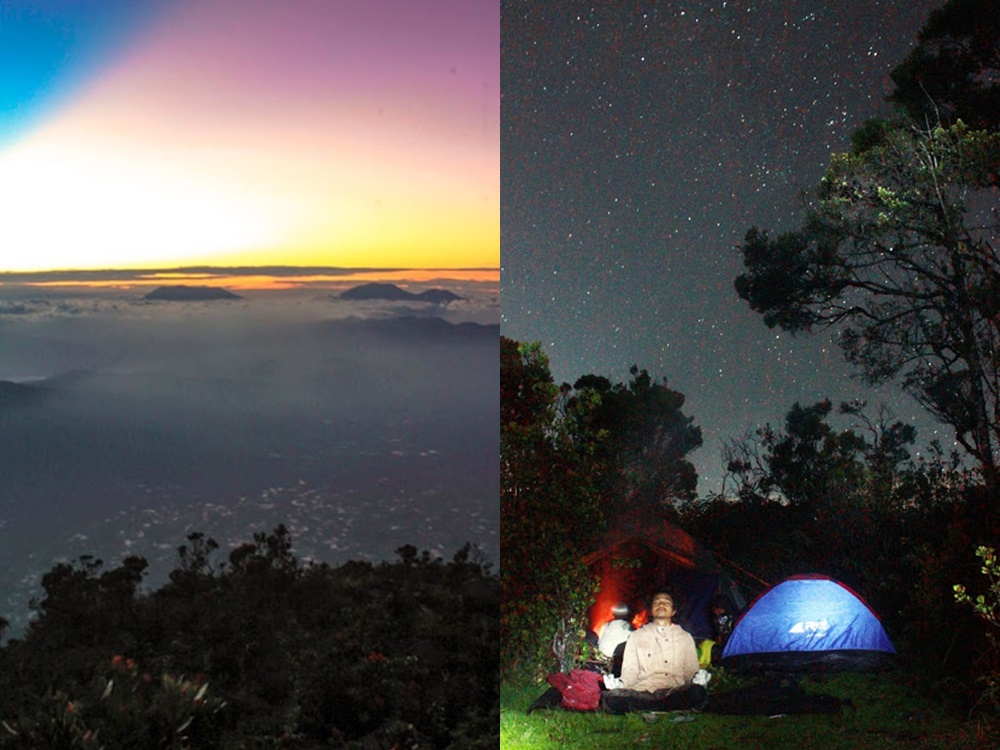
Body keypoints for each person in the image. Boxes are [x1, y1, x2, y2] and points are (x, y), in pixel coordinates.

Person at [601, 590, 706, 714]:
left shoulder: (685, 637)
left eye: (666, 602)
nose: (661, 605)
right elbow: (630, 672)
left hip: (674, 691)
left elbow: (690, 671)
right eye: (657, 602)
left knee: (697, 693)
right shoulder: (636, 636)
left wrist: (698, 680)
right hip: (643, 692)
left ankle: (652, 707)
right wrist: (619, 684)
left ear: (674, 611)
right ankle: (664, 707)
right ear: (651, 610)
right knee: (611, 697)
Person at [597, 602, 633, 677]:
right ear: (627, 614)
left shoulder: (606, 625)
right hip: (613, 664)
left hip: (599, 659)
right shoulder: (629, 628)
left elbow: (599, 641)